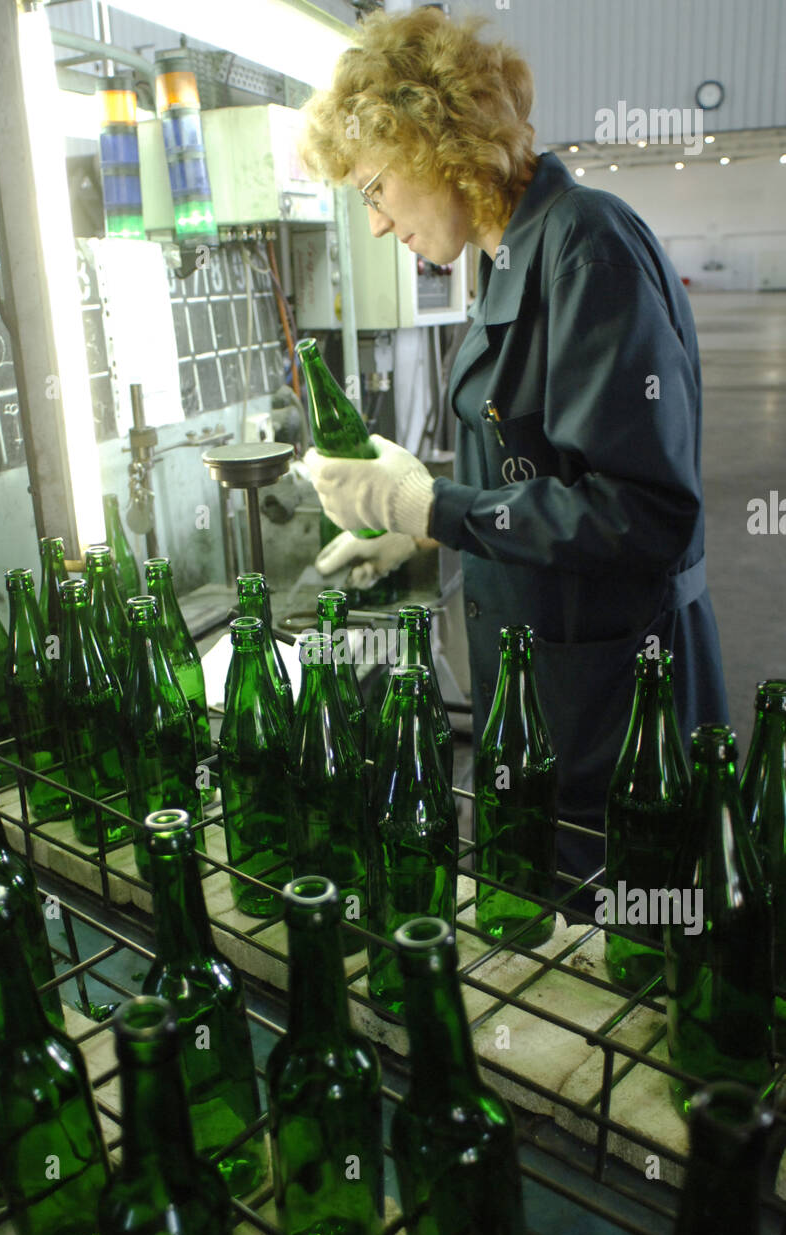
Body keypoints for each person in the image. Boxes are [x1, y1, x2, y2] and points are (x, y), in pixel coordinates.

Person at [297, 8, 729, 883]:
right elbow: (535, 468)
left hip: (614, 698)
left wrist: (434, 505)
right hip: (545, 684)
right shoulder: (507, 257)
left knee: (619, 962)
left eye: (375, 187)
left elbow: (645, 513)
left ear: (431, 141)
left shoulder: (583, 246)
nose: (376, 223)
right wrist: (418, 526)